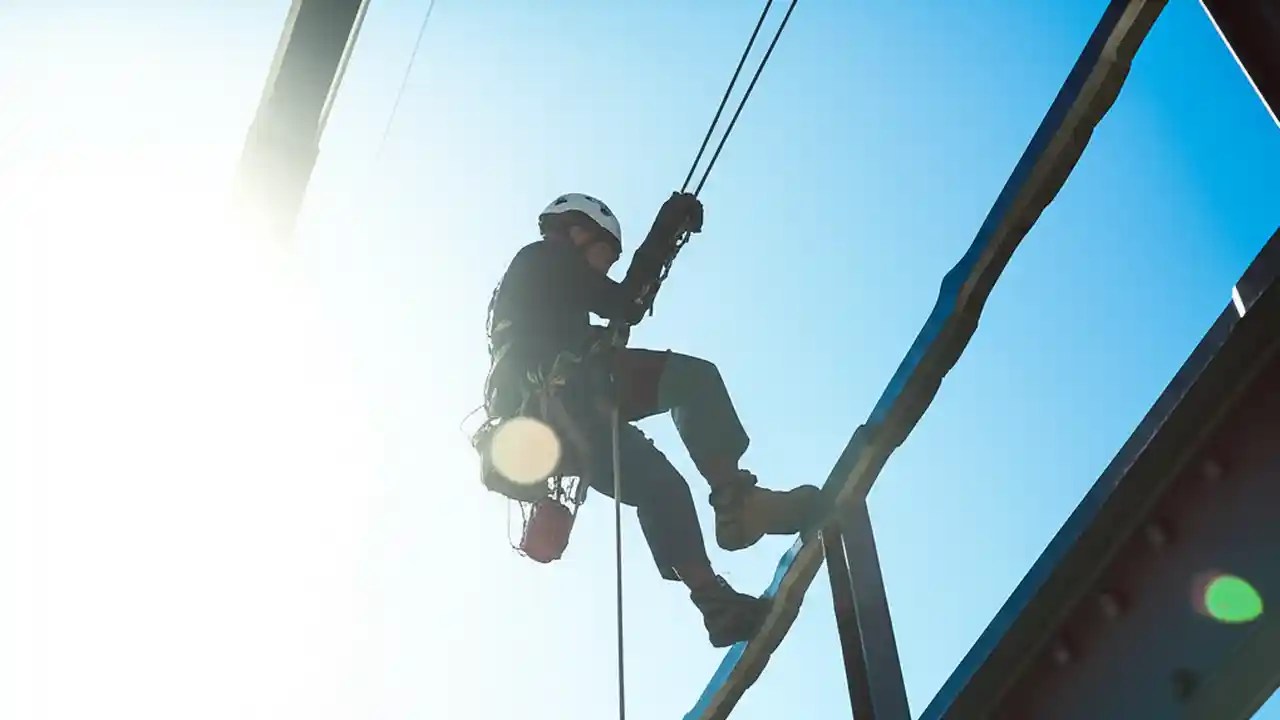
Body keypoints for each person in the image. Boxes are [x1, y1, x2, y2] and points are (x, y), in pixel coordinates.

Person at [482, 191, 820, 648]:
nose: (601, 268)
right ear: (577, 232)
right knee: (694, 381)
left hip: (553, 427)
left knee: (661, 487)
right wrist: (667, 227)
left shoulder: (529, 292)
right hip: (570, 392)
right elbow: (626, 303)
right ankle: (738, 503)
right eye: (603, 254)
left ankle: (714, 605)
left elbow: (590, 319)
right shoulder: (548, 256)